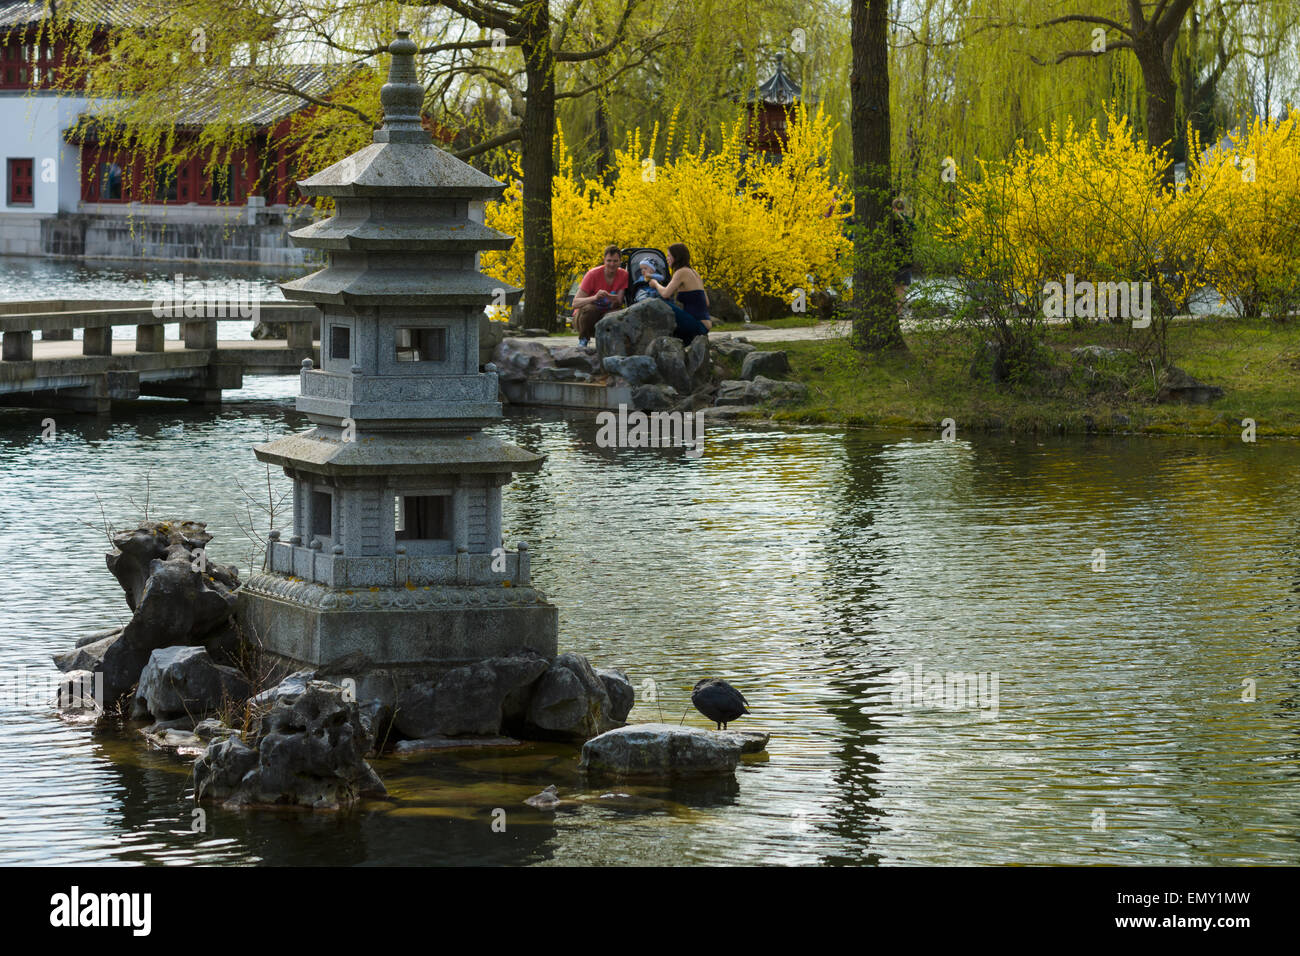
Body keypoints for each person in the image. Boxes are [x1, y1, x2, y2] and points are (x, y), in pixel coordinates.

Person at [649, 242, 710, 346]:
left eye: (669, 256)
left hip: (696, 325)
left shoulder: (681, 272)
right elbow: (707, 302)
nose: (667, 259)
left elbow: (665, 294)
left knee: (658, 303)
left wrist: (655, 283)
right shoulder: (695, 272)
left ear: (676, 257)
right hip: (705, 324)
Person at [572, 245, 628, 347]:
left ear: (620, 261)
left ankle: (611, 345)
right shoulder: (592, 274)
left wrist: (611, 299)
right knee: (590, 309)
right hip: (585, 316)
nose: (612, 264)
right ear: (604, 260)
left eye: (615, 261)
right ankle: (583, 340)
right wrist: (595, 297)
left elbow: (619, 301)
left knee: (618, 314)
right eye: (609, 261)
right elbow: (575, 303)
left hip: (607, 311)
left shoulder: (624, 275)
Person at [890, 196, 916, 306]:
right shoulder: (908, 220)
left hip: (894, 257)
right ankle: (899, 310)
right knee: (902, 287)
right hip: (906, 257)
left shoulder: (893, 220)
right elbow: (914, 230)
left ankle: (896, 310)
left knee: (895, 285)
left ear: (893, 208)